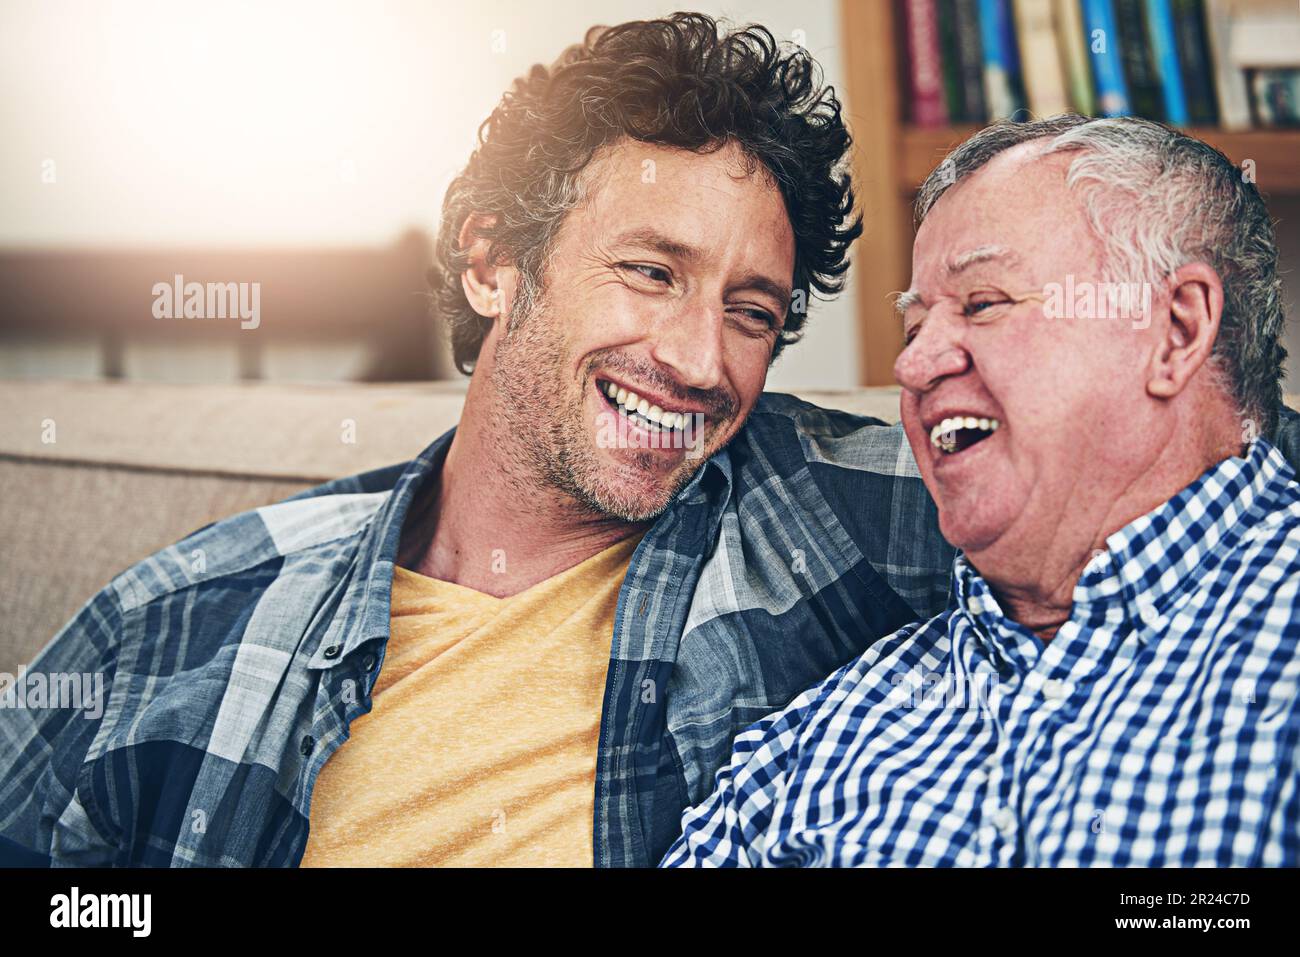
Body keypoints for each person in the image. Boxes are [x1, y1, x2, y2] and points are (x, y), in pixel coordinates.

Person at [0, 13, 955, 867]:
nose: (704, 360)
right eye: (652, 271)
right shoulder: (183, 620)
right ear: (493, 262)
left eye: (750, 312)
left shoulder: (835, 516)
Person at [663, 115, 1300, 867]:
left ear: (1177, 329)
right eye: (914, 326)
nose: (914, 366)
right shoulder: (818, 737)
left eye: (984, 303)